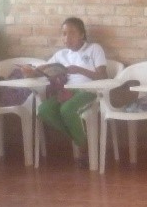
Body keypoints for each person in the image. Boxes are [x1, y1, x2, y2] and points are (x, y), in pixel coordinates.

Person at [28, 17, 108, 167]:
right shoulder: (61, 55)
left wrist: (79, 69)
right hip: (67, 92)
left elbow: (103, 76)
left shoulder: (94, 49)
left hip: (89, 91)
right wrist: (32, 71)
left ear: (82, 35)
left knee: (67, 109)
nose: (67, 38)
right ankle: (83, 143)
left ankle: (83, 148)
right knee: (44, 109)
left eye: (71, 33)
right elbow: (45, 69)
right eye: (64, 34)